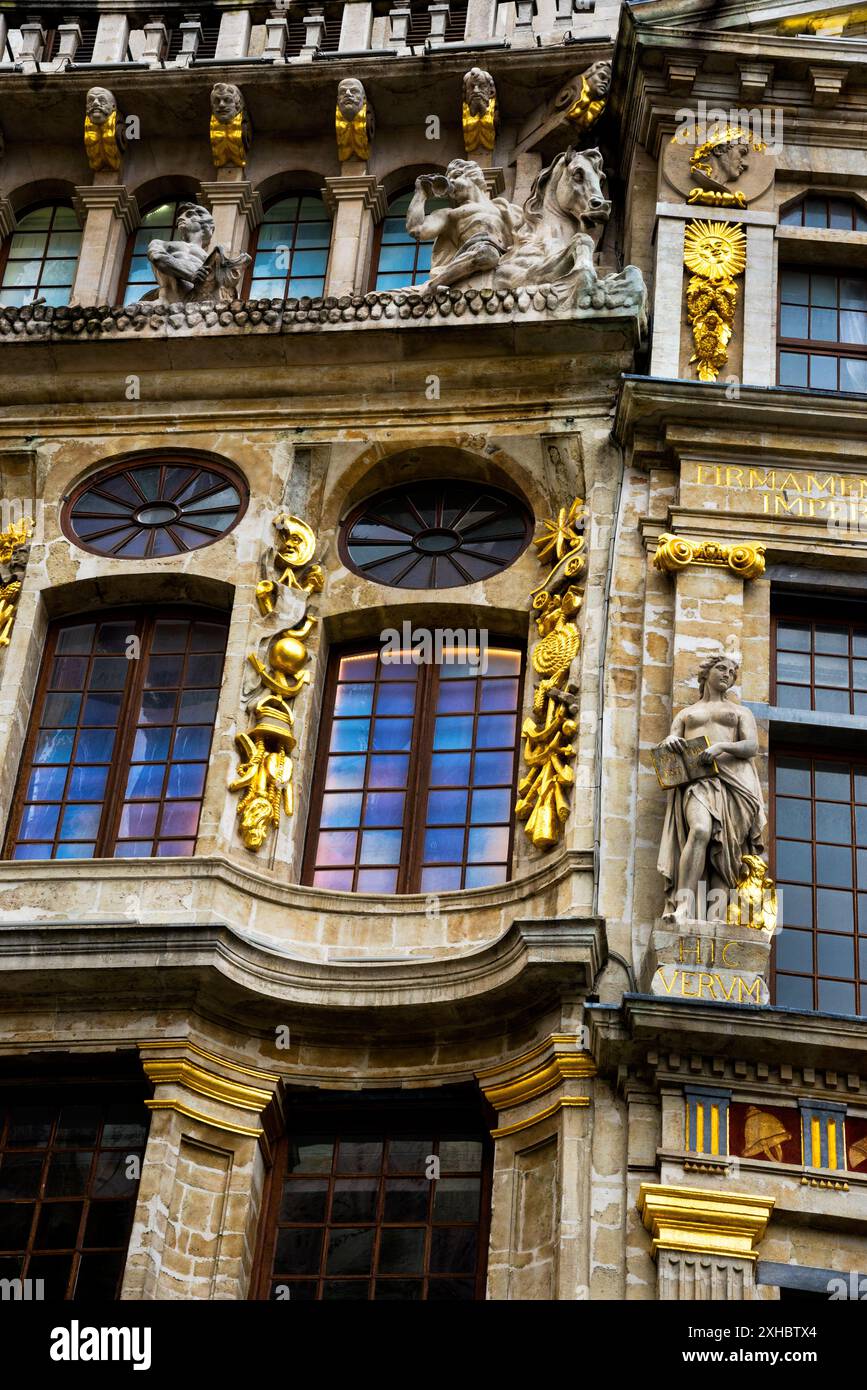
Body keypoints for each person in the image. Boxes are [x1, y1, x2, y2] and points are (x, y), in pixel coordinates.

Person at [657, 652, 765, 923]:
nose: (727, 674)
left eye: (732, 671)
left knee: (726, 849)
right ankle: (683, 906)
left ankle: (717, 916)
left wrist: (721, 747)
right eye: (721, 668)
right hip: (698, 782)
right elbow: (670, 744)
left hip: (735, 784)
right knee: (701, 830)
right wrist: (670, 742)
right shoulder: (687, 714)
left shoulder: (740, 712)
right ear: (706, 673)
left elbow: (751, 746)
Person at [405, 159, 522, 292]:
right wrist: (421, 193)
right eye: (449, 180)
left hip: (503, 256)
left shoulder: (504, 208)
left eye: (455, 176)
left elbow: (524, 237)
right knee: (487, 254)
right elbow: (416, 229)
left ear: (472, 175)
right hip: (476, 250)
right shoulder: (449, 214)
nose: (451, 184)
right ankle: (436, 284)